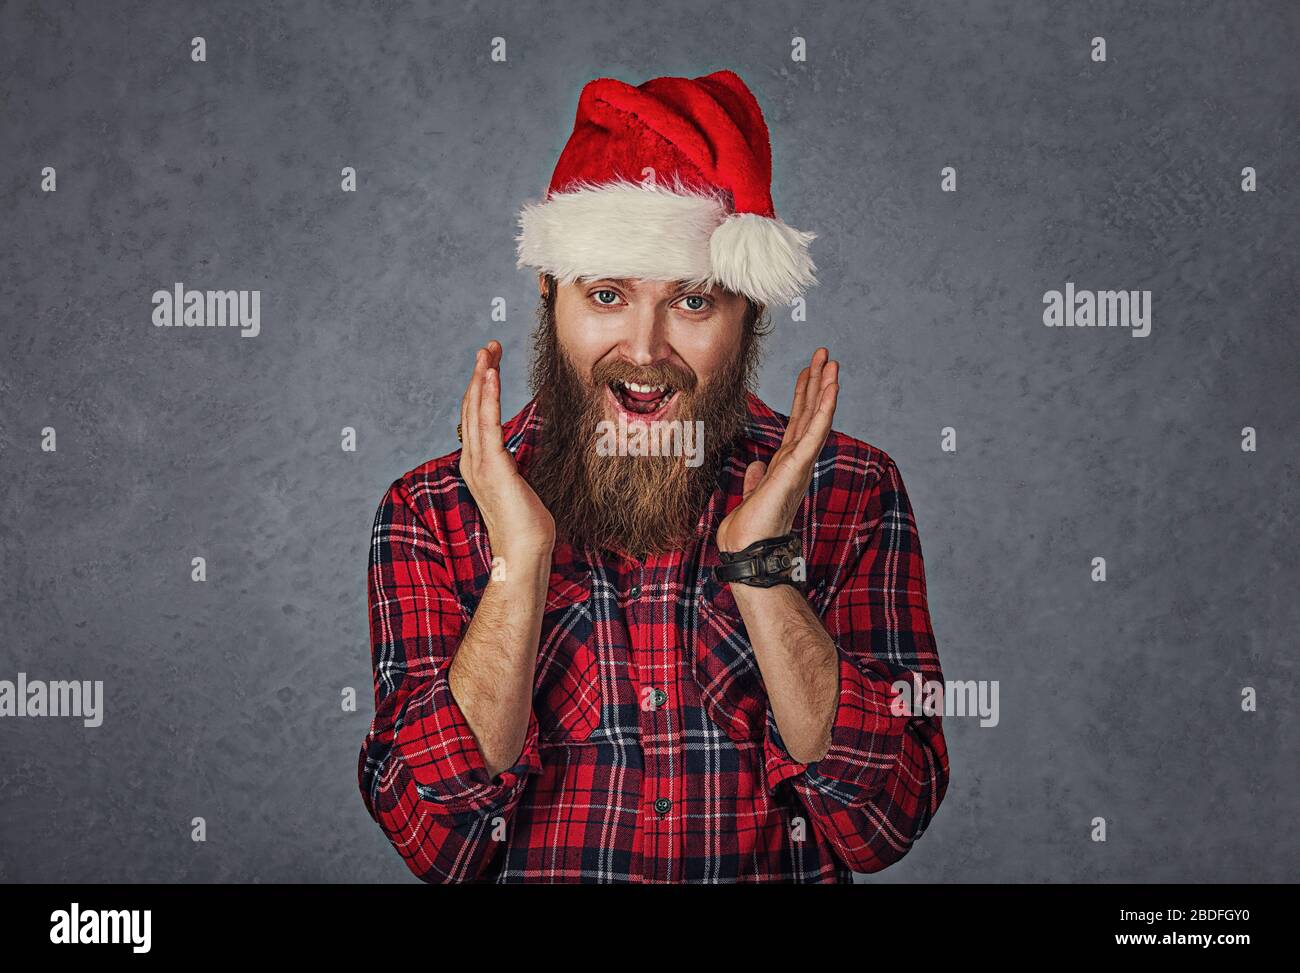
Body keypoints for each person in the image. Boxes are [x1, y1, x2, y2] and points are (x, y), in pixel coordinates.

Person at [358, 69, 949, 882]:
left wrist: (763, 573)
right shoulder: (429, 511)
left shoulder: (851, 489)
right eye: (606, 294)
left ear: (749, 313)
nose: (644, 349)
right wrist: (517, 567)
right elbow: (437, 843)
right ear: (548, 294)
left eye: (694, 303)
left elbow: (881, 824)